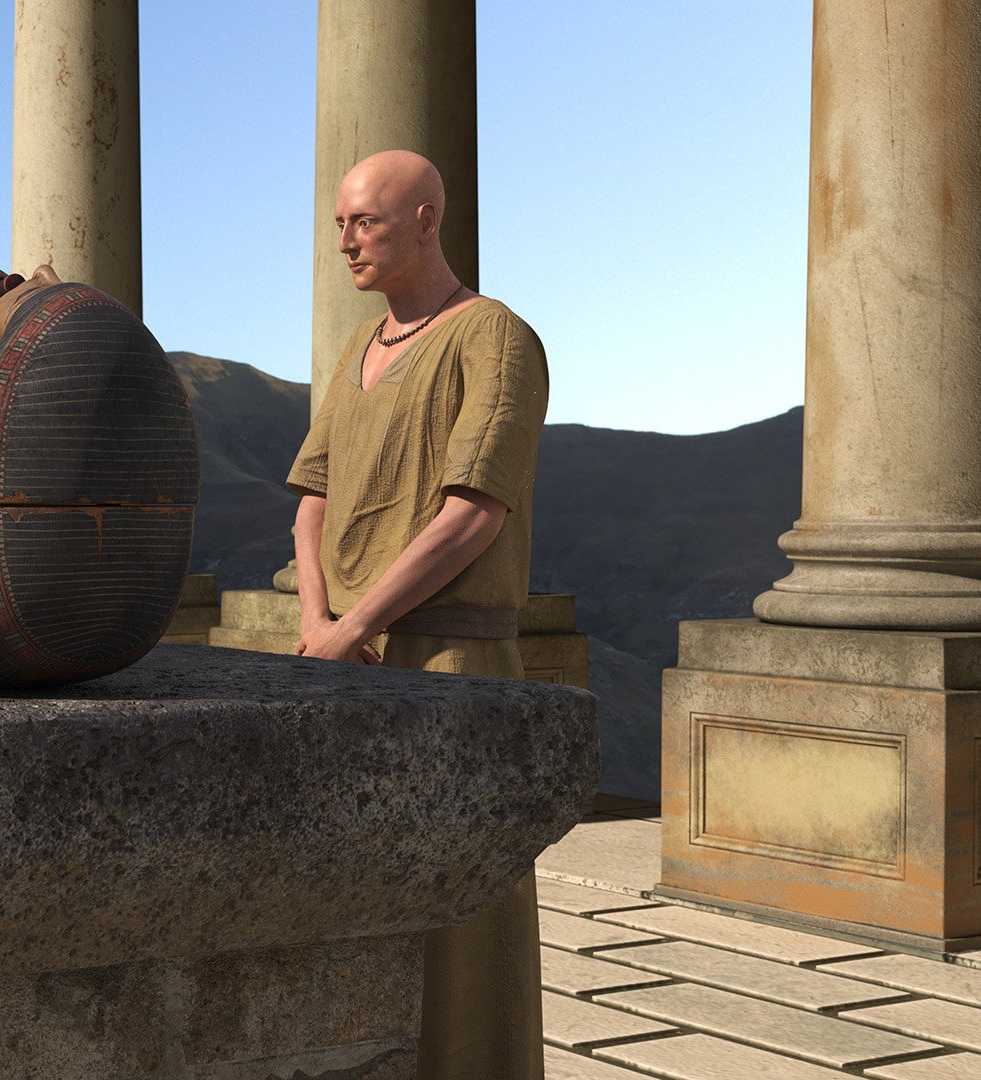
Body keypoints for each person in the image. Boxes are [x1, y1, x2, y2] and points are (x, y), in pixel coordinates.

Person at [286, 150, 550, 1079]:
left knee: (462, 911)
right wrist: (322, 623)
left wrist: (353, 629)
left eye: (366, 221)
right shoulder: (357, 350)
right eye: (340, 225)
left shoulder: (495, 339)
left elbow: (474, 511)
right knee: (354, 899)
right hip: (342, 669)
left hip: (449, 674)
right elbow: (311, 501)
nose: (347, 241)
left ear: (428, 219)